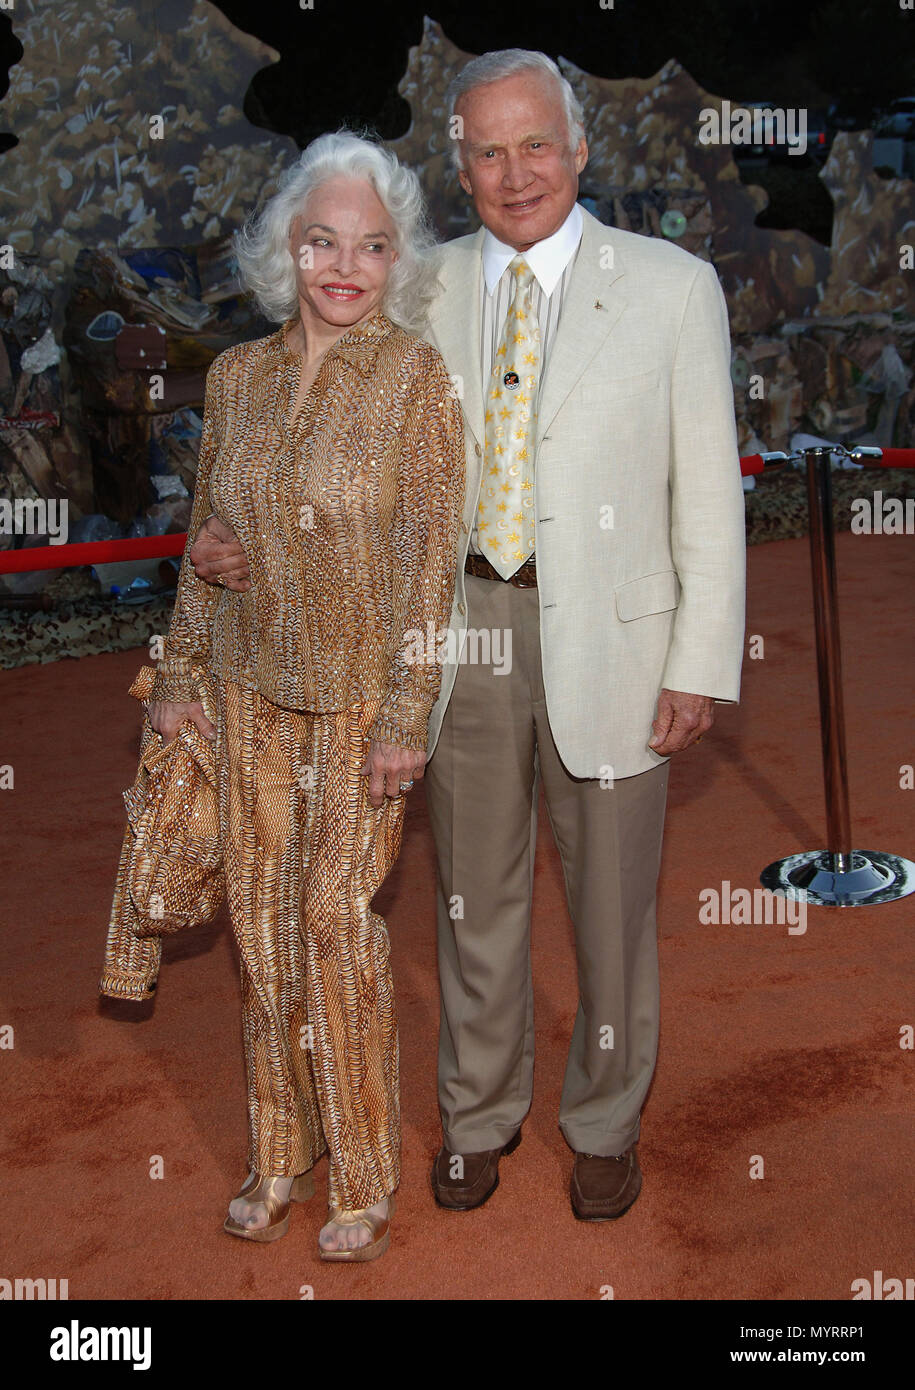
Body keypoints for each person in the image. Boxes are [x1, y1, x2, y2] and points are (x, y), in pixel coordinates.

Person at [191, 49, 746, 1224]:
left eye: (534, 142)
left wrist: (700, 660)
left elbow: (708, 494)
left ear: (580, 147)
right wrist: (243, 542)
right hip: (452, 631)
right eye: (487, 150)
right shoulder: (414, 284)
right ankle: (478, 1117)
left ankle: (603, 1123)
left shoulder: (673, 286)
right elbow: (320, 443)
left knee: (612, 908)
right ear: (459, 162)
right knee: (470, 897)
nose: (514, 171)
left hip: (616, 634)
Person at [141, 130, 464, 1260]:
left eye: (372, 246)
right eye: (323, 240)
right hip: (247, 698)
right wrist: (178, 676)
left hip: (359, 710)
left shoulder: (418, 381)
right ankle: (280, 1150)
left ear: (397, 259)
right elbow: (206, 542)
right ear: (287, 246)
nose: (344, 265)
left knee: (334, 925)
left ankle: (364, 1172)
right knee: (264, 935)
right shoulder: (234, 378)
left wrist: (405, 716)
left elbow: (431, 561)